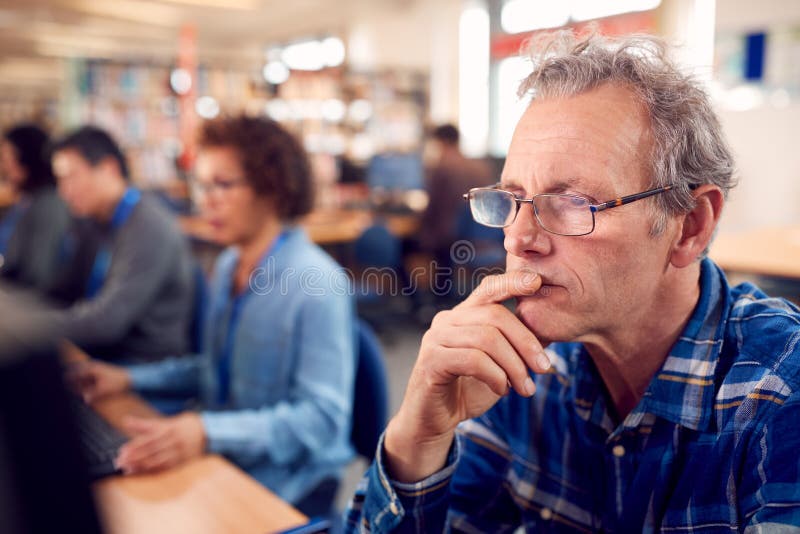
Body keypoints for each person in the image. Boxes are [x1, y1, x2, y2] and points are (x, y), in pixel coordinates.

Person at [344, 31, 800, 532]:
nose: (517, 239)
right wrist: (420, 439)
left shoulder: (780, 397)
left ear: (689, 225)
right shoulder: (523, 368)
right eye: (512, 199)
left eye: (573, 201)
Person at [71, 116, 356, 516]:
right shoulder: (226, 267)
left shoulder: (317, 283)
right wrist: (128, 378)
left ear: (271, 188)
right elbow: (213, 369)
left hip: (289, 485)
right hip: (225, 457)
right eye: (201, 186)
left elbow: (321, 421)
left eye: (222, 185)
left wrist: (206, 431)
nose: (205, 200)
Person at [48, 126, 193, 362]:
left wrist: (29, 323)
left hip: (142, 367)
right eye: (59, 180)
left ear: (109, 169)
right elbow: (66, 290)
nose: (63, 191)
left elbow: (107, 323)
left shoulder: (149, 226)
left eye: (71, 177)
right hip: (102, 356)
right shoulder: (94, 221)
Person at [0, 124, 70, 290]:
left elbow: (37, 276)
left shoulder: (48, 206)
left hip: (24, 302)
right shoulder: (25, 201)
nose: (4, 167)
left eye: (7, 159)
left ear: (27, 159)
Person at [418, 124, 494, 266]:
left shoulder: (443, 168)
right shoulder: (480, 167)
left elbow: (431, 209)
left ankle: (427, 287)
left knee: (405, 244)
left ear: (441, 142)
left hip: (453, 239)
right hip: (486, 237)